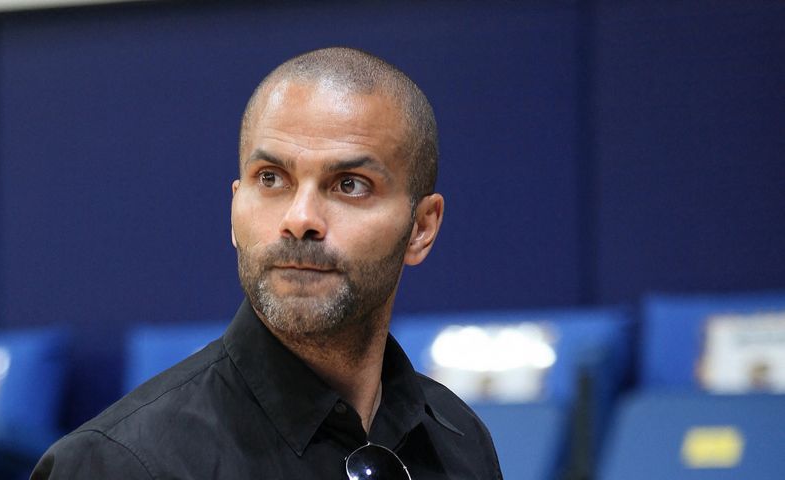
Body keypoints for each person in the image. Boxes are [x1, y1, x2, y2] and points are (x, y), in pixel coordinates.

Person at [32, 47, 502, 479]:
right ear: (234, 212)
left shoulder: (459, 441)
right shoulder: (116, 465)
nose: (300, 220)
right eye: (272, 178)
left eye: (350, 185)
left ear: (422, 227)